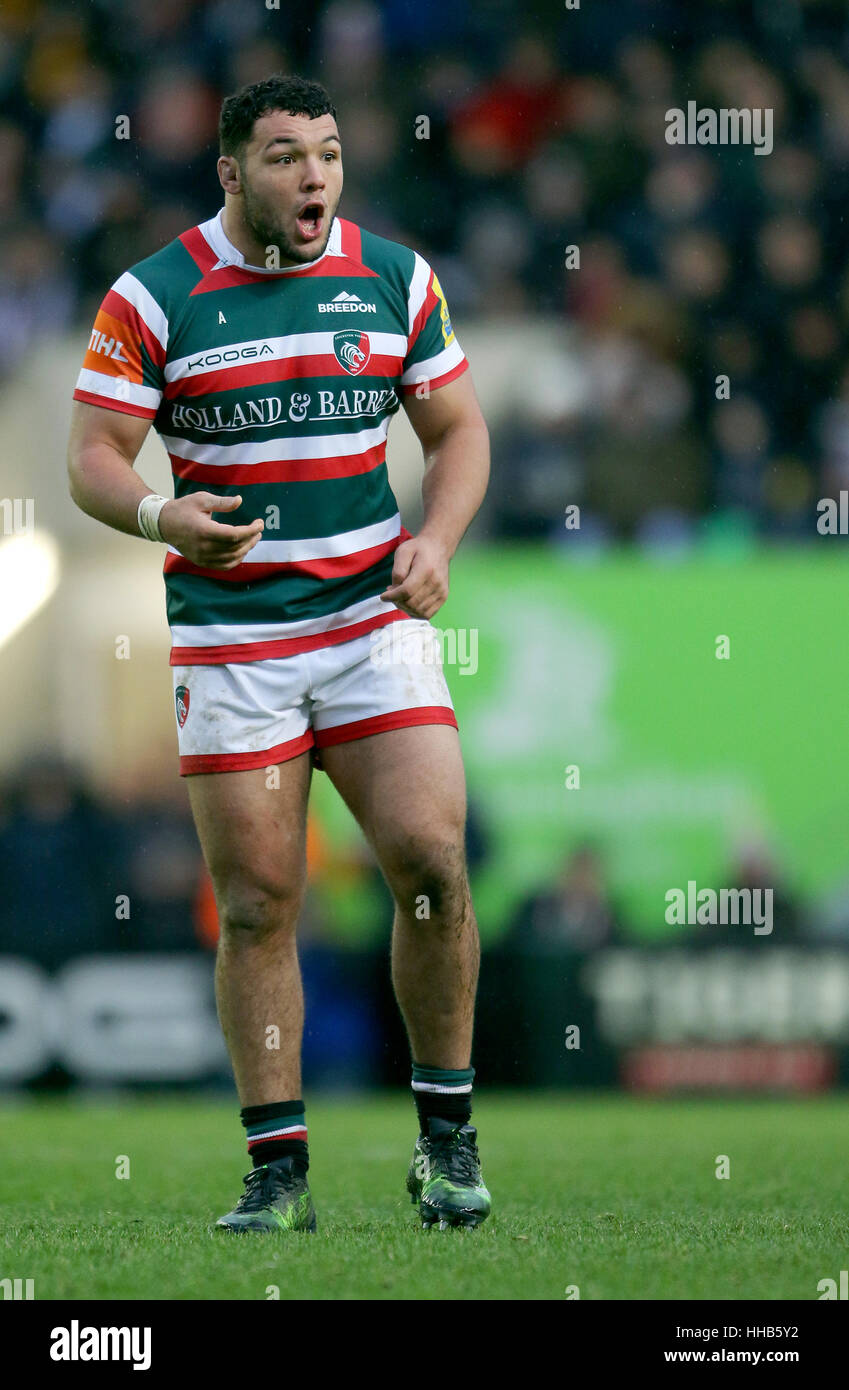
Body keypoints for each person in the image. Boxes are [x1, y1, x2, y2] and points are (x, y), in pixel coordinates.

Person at [67, 74, 491, 1233]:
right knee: (258, 905)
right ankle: (279, 1176)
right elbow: (94, 454)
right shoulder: (153, 296)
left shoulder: (394, 276)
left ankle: (447, 1149)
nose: (315, 177)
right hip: (235, 636)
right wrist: (163, 516)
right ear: (231, 173)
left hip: (369, 623)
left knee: (433, 866)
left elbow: (455, 430)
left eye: (330, 154)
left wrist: (438, 538)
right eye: (287, 156)